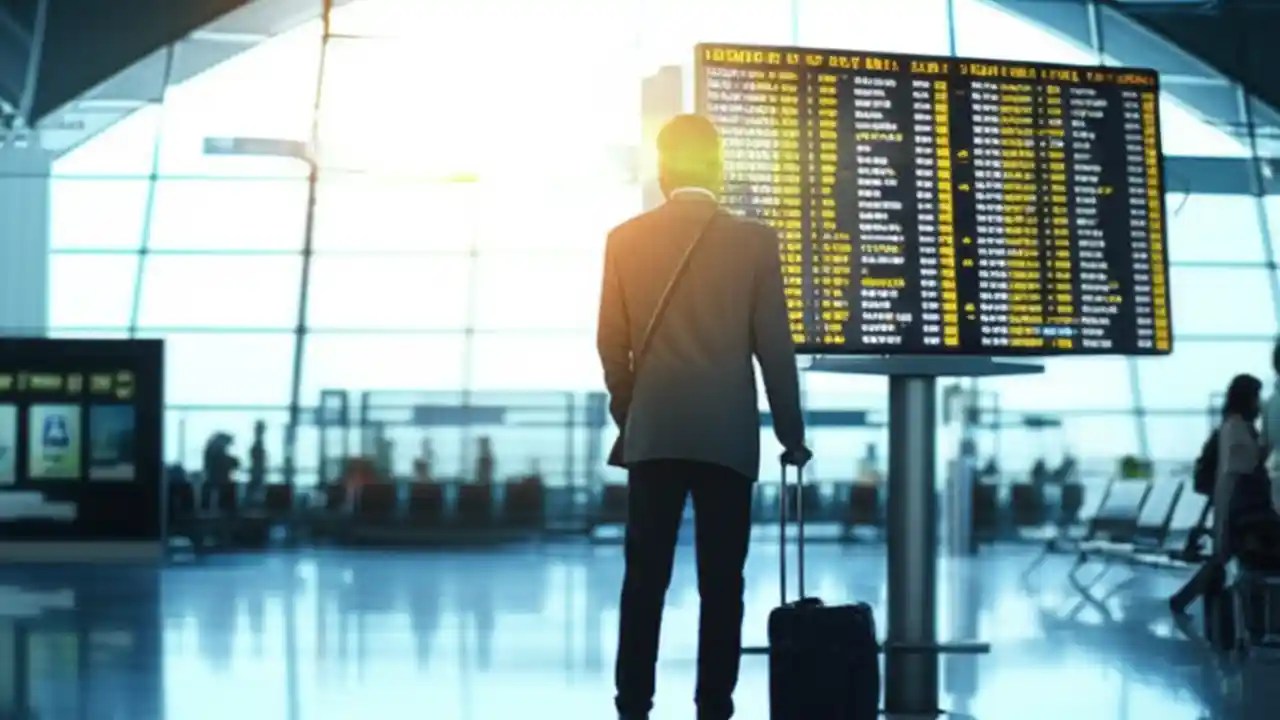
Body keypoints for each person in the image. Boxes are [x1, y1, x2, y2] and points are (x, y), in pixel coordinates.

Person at [597, 114, 810, 720]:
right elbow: (774, 347)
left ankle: (633, 703)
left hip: (655, 434)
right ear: (717, 166)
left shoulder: (625, 239)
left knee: (644, 582)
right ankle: (714, 704)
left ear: (662, 170)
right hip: (726, 438)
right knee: (722, 585)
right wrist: (791, 435)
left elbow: (611, 344)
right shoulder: (753, 241)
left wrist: (633, 413)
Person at [1170, 374, 1265, 617]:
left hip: (1230, 506)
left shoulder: (1228, 426)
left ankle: (1185, 602)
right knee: (1222, 559)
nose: (1260, 404)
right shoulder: (1238, 429)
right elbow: (1237, 473)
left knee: (1221, 560)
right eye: (1257, 398)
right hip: (1238, 508)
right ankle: (1183, 601)